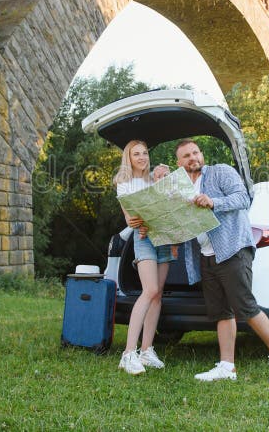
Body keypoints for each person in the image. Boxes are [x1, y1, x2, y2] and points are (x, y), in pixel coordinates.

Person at [175, 138, 269, 385]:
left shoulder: (221, 172)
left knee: (245, 306)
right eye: (186, 155)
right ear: (179, 162)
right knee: (221, 312)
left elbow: (242, 199)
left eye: (195, 152)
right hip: (206, 255)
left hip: (232, 249)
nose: (193, 157)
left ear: (201, 155)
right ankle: (227, 366)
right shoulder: (182, 188)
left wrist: (213, 202)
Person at [113, 139, 173, 375]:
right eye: (136, 154)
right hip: (143, 238)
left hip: (164, 237)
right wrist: (142, 219)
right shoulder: (124, 183)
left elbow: (170, 206)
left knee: (157, 294)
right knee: (149, 290)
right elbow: (130, 220)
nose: (142, 157)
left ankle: (147, 350)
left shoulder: (156, 178)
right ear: (129, 158)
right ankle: (129, 353)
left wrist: (163, 180)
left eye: (145, 153)